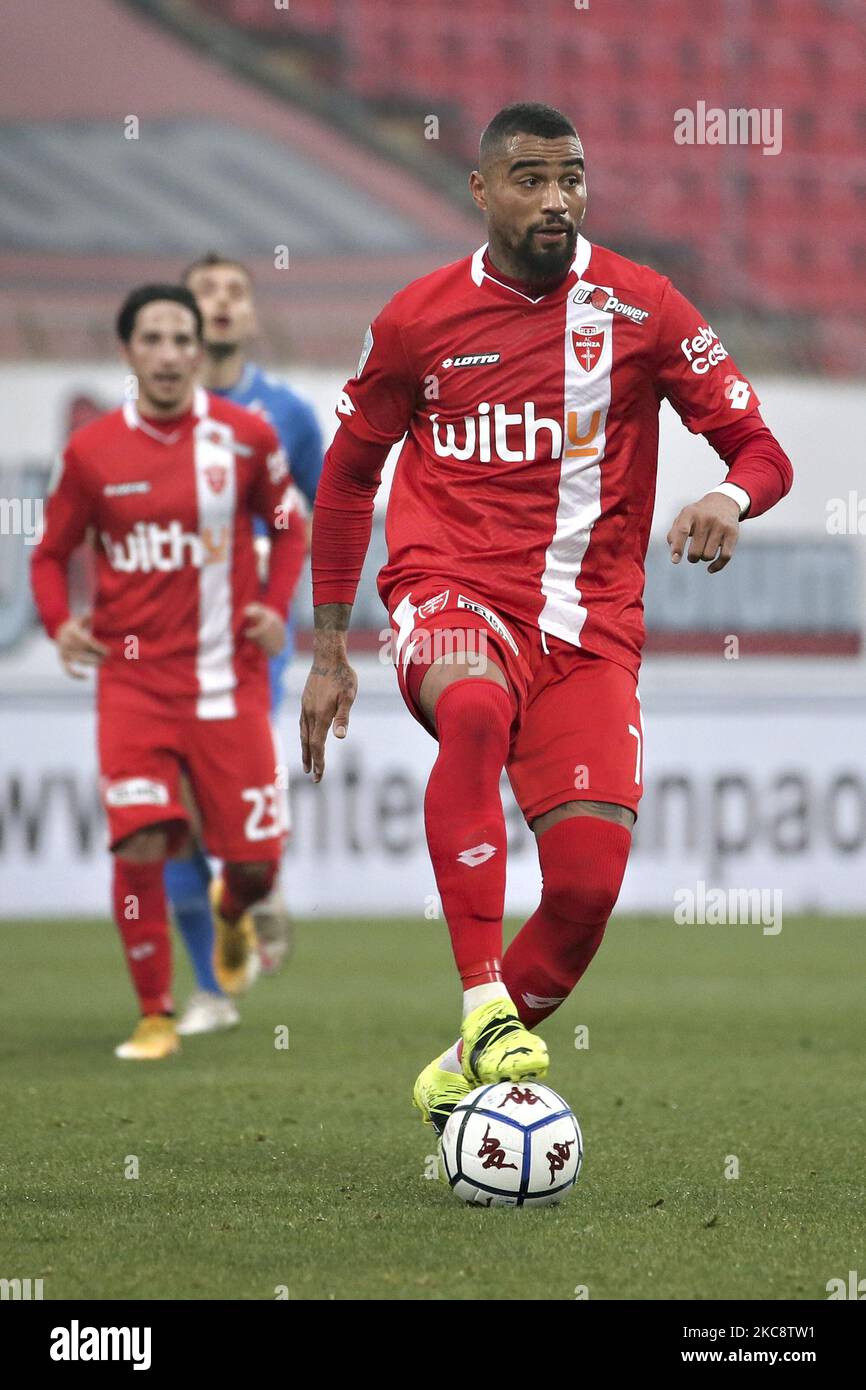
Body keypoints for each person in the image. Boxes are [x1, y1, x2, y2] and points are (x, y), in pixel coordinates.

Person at [300, 103, 793, 1131]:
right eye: (529, 178)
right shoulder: (415, 321)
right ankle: (483, 1000)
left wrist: (726, 497)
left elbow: (759, 447)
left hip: (588, 630)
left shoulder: (642, 306)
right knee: (472, 708)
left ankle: (456, 1076)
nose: (555, 197)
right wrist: (328, 644)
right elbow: (348, 479)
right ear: (480, 192)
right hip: (447, 588)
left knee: (581, 892)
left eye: (570, 176)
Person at [31, 284, 305, 1058]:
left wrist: (277, 606)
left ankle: (233, 910)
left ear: (196, 350)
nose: (168, 353)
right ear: (127, 353)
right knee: (141, 842)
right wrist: (61, 626)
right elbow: (49, 555)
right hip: (135, 685)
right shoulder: (91, 454)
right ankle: (156, 1014)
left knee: (255, 863)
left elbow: (291, 528)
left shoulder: (246, 437)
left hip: (228, 680)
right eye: (151, 338)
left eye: (181, 339)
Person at [160, 254, 323, 1007]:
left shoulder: (286, 416)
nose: (221, 305)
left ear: (250, 316)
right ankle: (210, 984)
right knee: (173, 811)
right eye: (205, 293)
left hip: (251, 636)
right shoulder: (152, 418)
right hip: (163, 634)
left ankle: (254, 882)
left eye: (234, 293)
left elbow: (326, 519)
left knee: (220, 787)